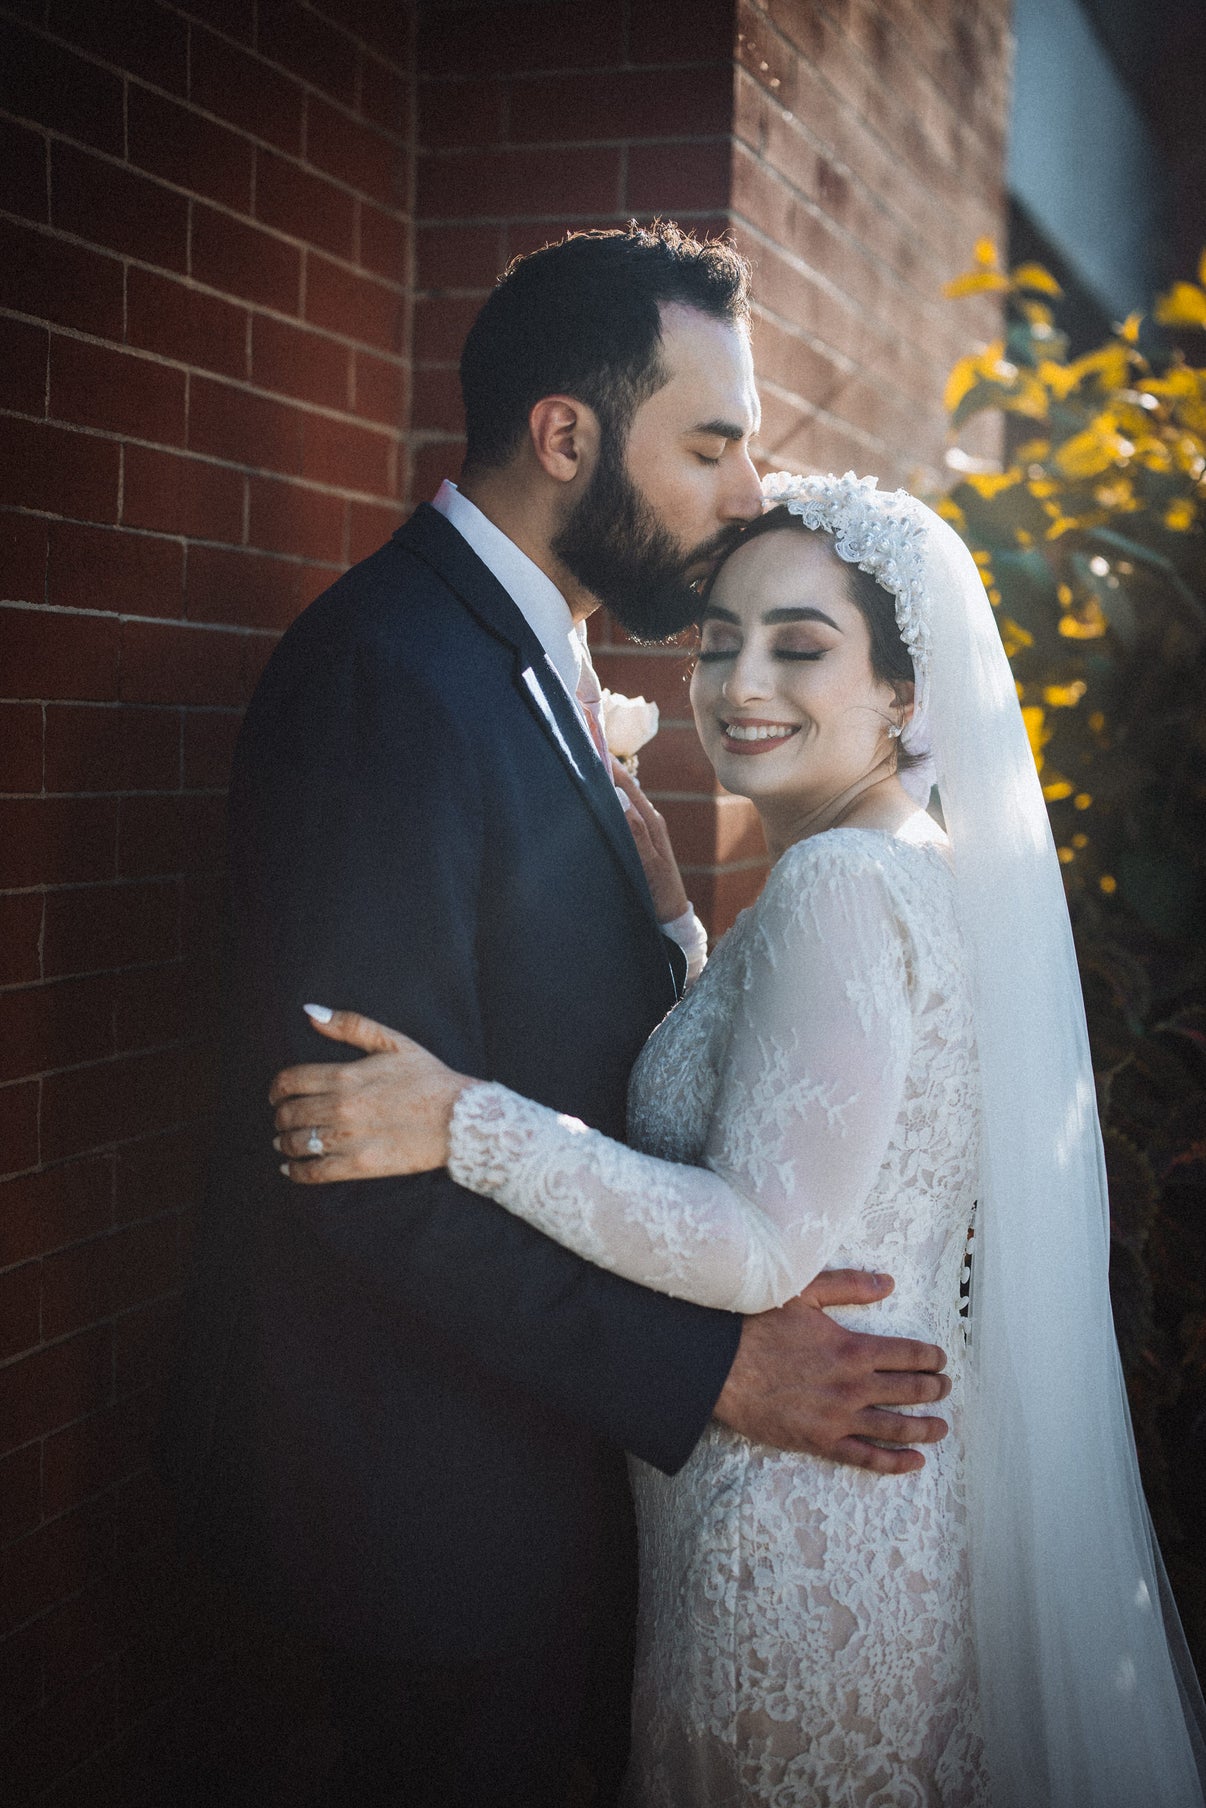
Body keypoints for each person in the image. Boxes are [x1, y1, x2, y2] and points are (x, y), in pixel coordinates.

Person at [158, 227, 955, 1808]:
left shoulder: (525, 654)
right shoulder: (390, 673)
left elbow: (571, 1041)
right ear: (566, 435)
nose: (745, 493)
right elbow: (350, 1154)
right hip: (426, 1500)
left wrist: (663, 934)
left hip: (539, 1460)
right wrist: (704, 1371)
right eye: (709, 445)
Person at [272, 474, 1206, 1805]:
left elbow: (758, 1241)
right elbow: (825, 1126)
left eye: (798, 647)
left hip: (786, 1538)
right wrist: (679, 935)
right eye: (719, 642)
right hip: (872, 1521)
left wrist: (462, 1120)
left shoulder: (837, 881)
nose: (739, 682)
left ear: (903, 696)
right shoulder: (909, 862)